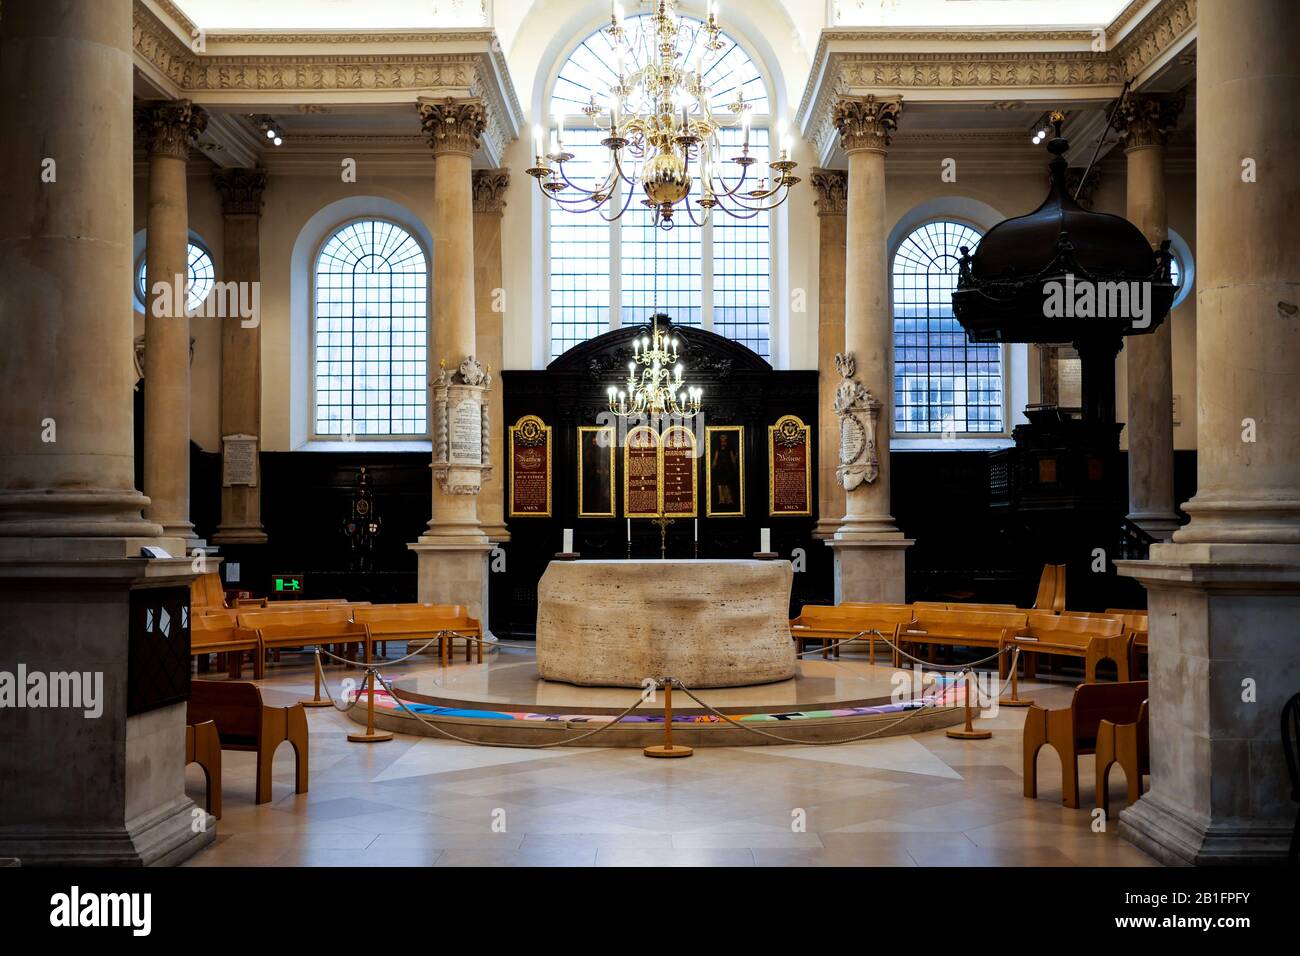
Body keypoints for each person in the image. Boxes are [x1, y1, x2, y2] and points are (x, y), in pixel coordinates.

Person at [711, 432, 740, 511]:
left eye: (725, 440)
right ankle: (721, 499)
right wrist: (712, 467)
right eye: (722, 440)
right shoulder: (718, 450)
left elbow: (733, 460)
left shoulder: (729, 450)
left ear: (726, 441)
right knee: (720, 484)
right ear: (720, 441)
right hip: (720, 469)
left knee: (726, 484)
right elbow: (715, 460)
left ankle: (729, 499)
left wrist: (735, 464)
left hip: (727, 469)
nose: (723, 442)